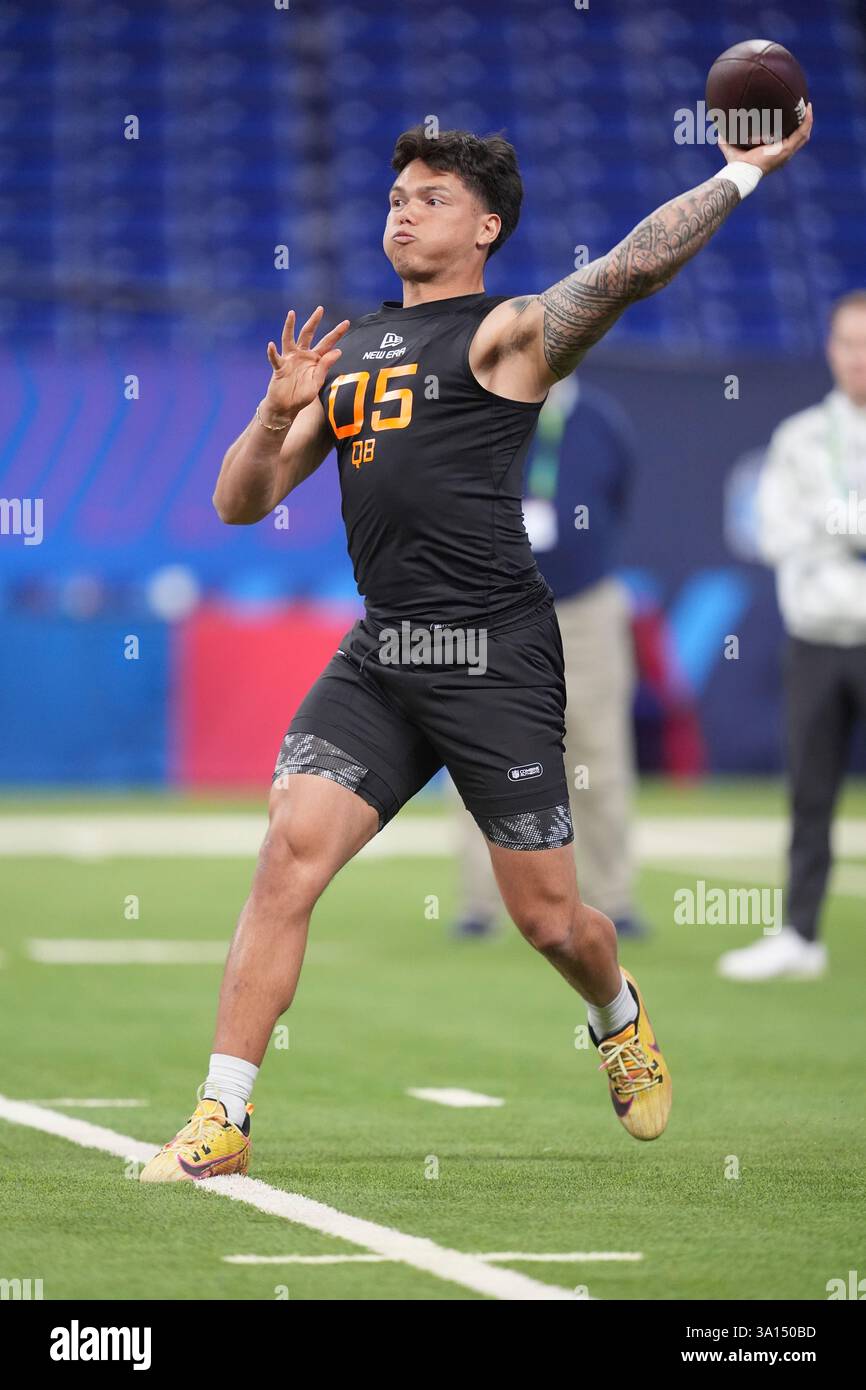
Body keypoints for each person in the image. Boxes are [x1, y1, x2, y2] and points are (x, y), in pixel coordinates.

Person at [139, 108, 812, 1181]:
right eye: (397, 196)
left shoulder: (506, 336)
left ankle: (617, 1011)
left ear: (486, 226)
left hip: (492, 654)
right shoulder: (347, 349)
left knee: (548, 920)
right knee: (285, 851)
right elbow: (238, 502)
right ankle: (223, 1117)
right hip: (383, 651)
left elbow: (633, 268)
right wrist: (275, 415)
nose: (403, 210)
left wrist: (736, 173)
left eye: (432, 197)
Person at [452, 377, 646, 940]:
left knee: (599, 750)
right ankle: (479, 903)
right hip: (495, 607)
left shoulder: (601, 420)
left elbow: (619, 499)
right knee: (481, 751)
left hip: (584, 606)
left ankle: (612, 896)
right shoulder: (486, 414)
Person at [718, 289, 866, 982]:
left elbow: (812, 528)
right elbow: (774, 532)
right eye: (847, 342)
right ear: (830, 349)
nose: (857, 357)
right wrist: (850, 526)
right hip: (816, 636)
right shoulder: (801, 436)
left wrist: (829, 523)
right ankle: (800, 935)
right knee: (811, 794)